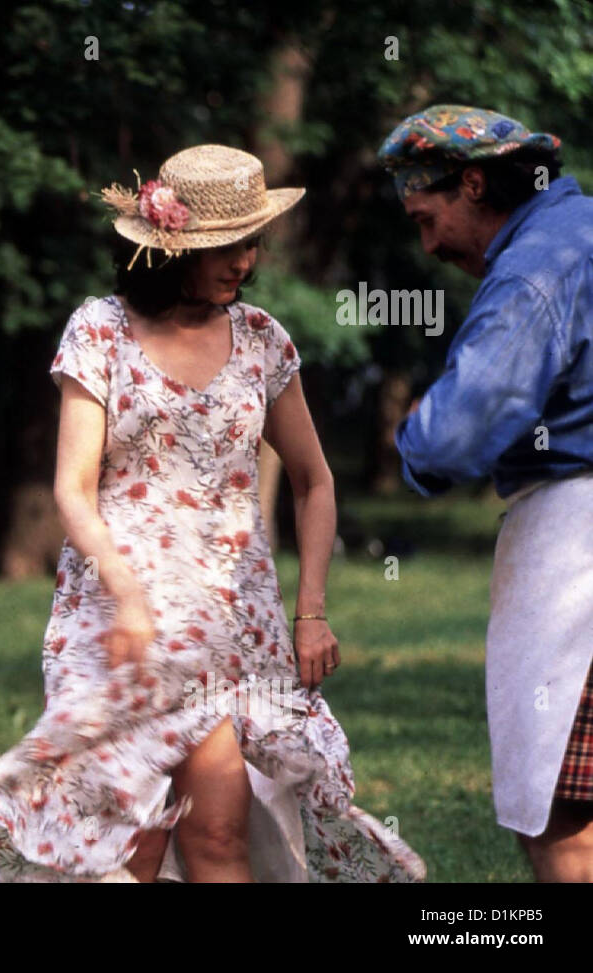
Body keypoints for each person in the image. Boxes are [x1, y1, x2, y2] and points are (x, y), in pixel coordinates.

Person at [0, 145, 426, 882]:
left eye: (252, 243)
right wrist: (125, 596)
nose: (244, 262)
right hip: (121, 620)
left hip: (228, 623)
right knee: (131, 840)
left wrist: (310, 611)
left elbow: (315, 481)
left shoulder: (260, 340)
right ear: (170, 249)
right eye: (226, 247)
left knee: (219, 830)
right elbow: (73, 486)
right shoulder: (101, 331)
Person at [381, 105, 593, 881]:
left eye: (426, 216)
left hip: (577, 541)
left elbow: (462, 428)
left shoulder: (539, 264)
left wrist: (416, 439)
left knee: (563, 816)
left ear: (472, 184)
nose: (429, 243)